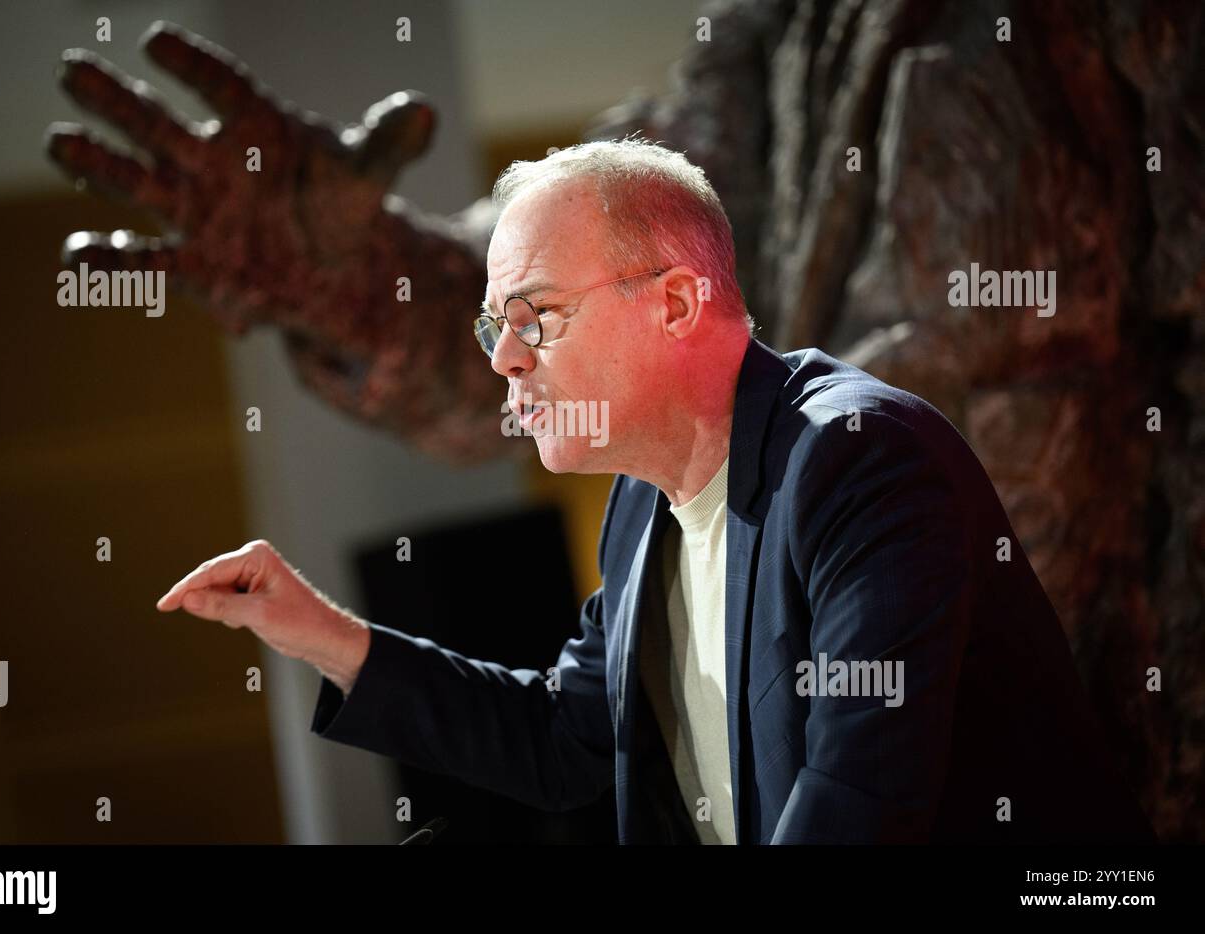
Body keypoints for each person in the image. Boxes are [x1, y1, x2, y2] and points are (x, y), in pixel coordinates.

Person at [156, 139, 1154, 844]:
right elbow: (564, 738)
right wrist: (323, 633)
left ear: (675, 300)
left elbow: (860, 800)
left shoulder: (858, 458)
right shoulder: (643, 504)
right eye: (491, 325)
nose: (504, 358)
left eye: (534, 315)